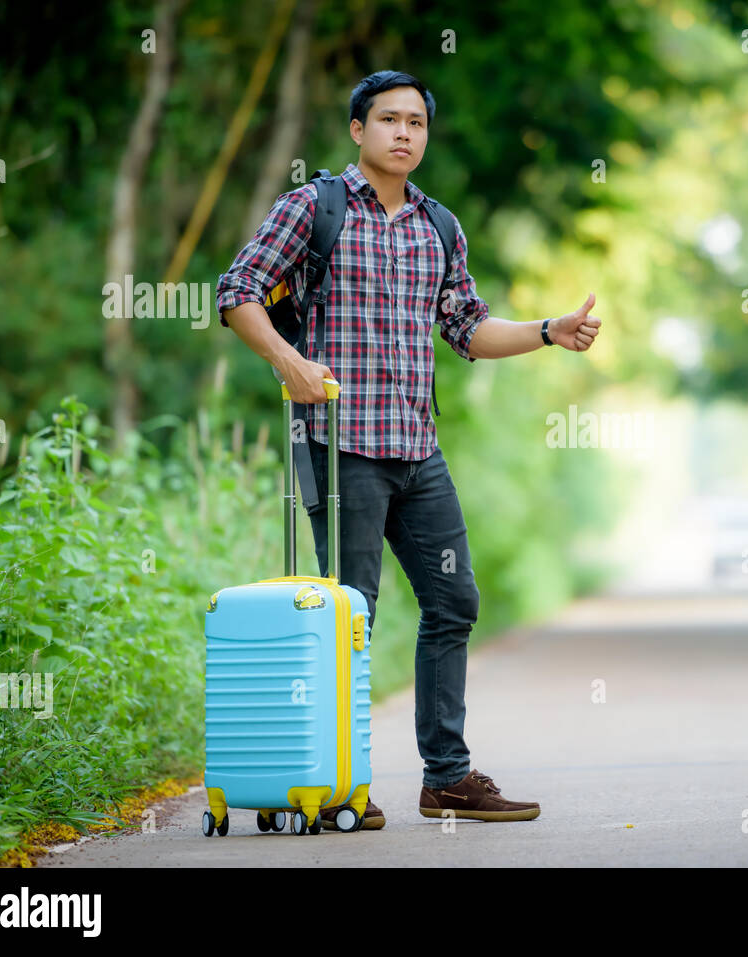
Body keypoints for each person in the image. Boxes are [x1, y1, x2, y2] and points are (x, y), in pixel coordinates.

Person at [215, 69, 602, 827]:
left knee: (454, 600)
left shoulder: (440, 227)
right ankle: (333, 786)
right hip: (340, 445)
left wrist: (549, 331)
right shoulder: (314, 208)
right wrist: (288, 362)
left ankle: (446, 777)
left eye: (416, 122)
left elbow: (467, 327)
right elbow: (238, 292)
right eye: (388, 119)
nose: (404, 132)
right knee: (349, 616)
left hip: (416, 450)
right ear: (357, 130)